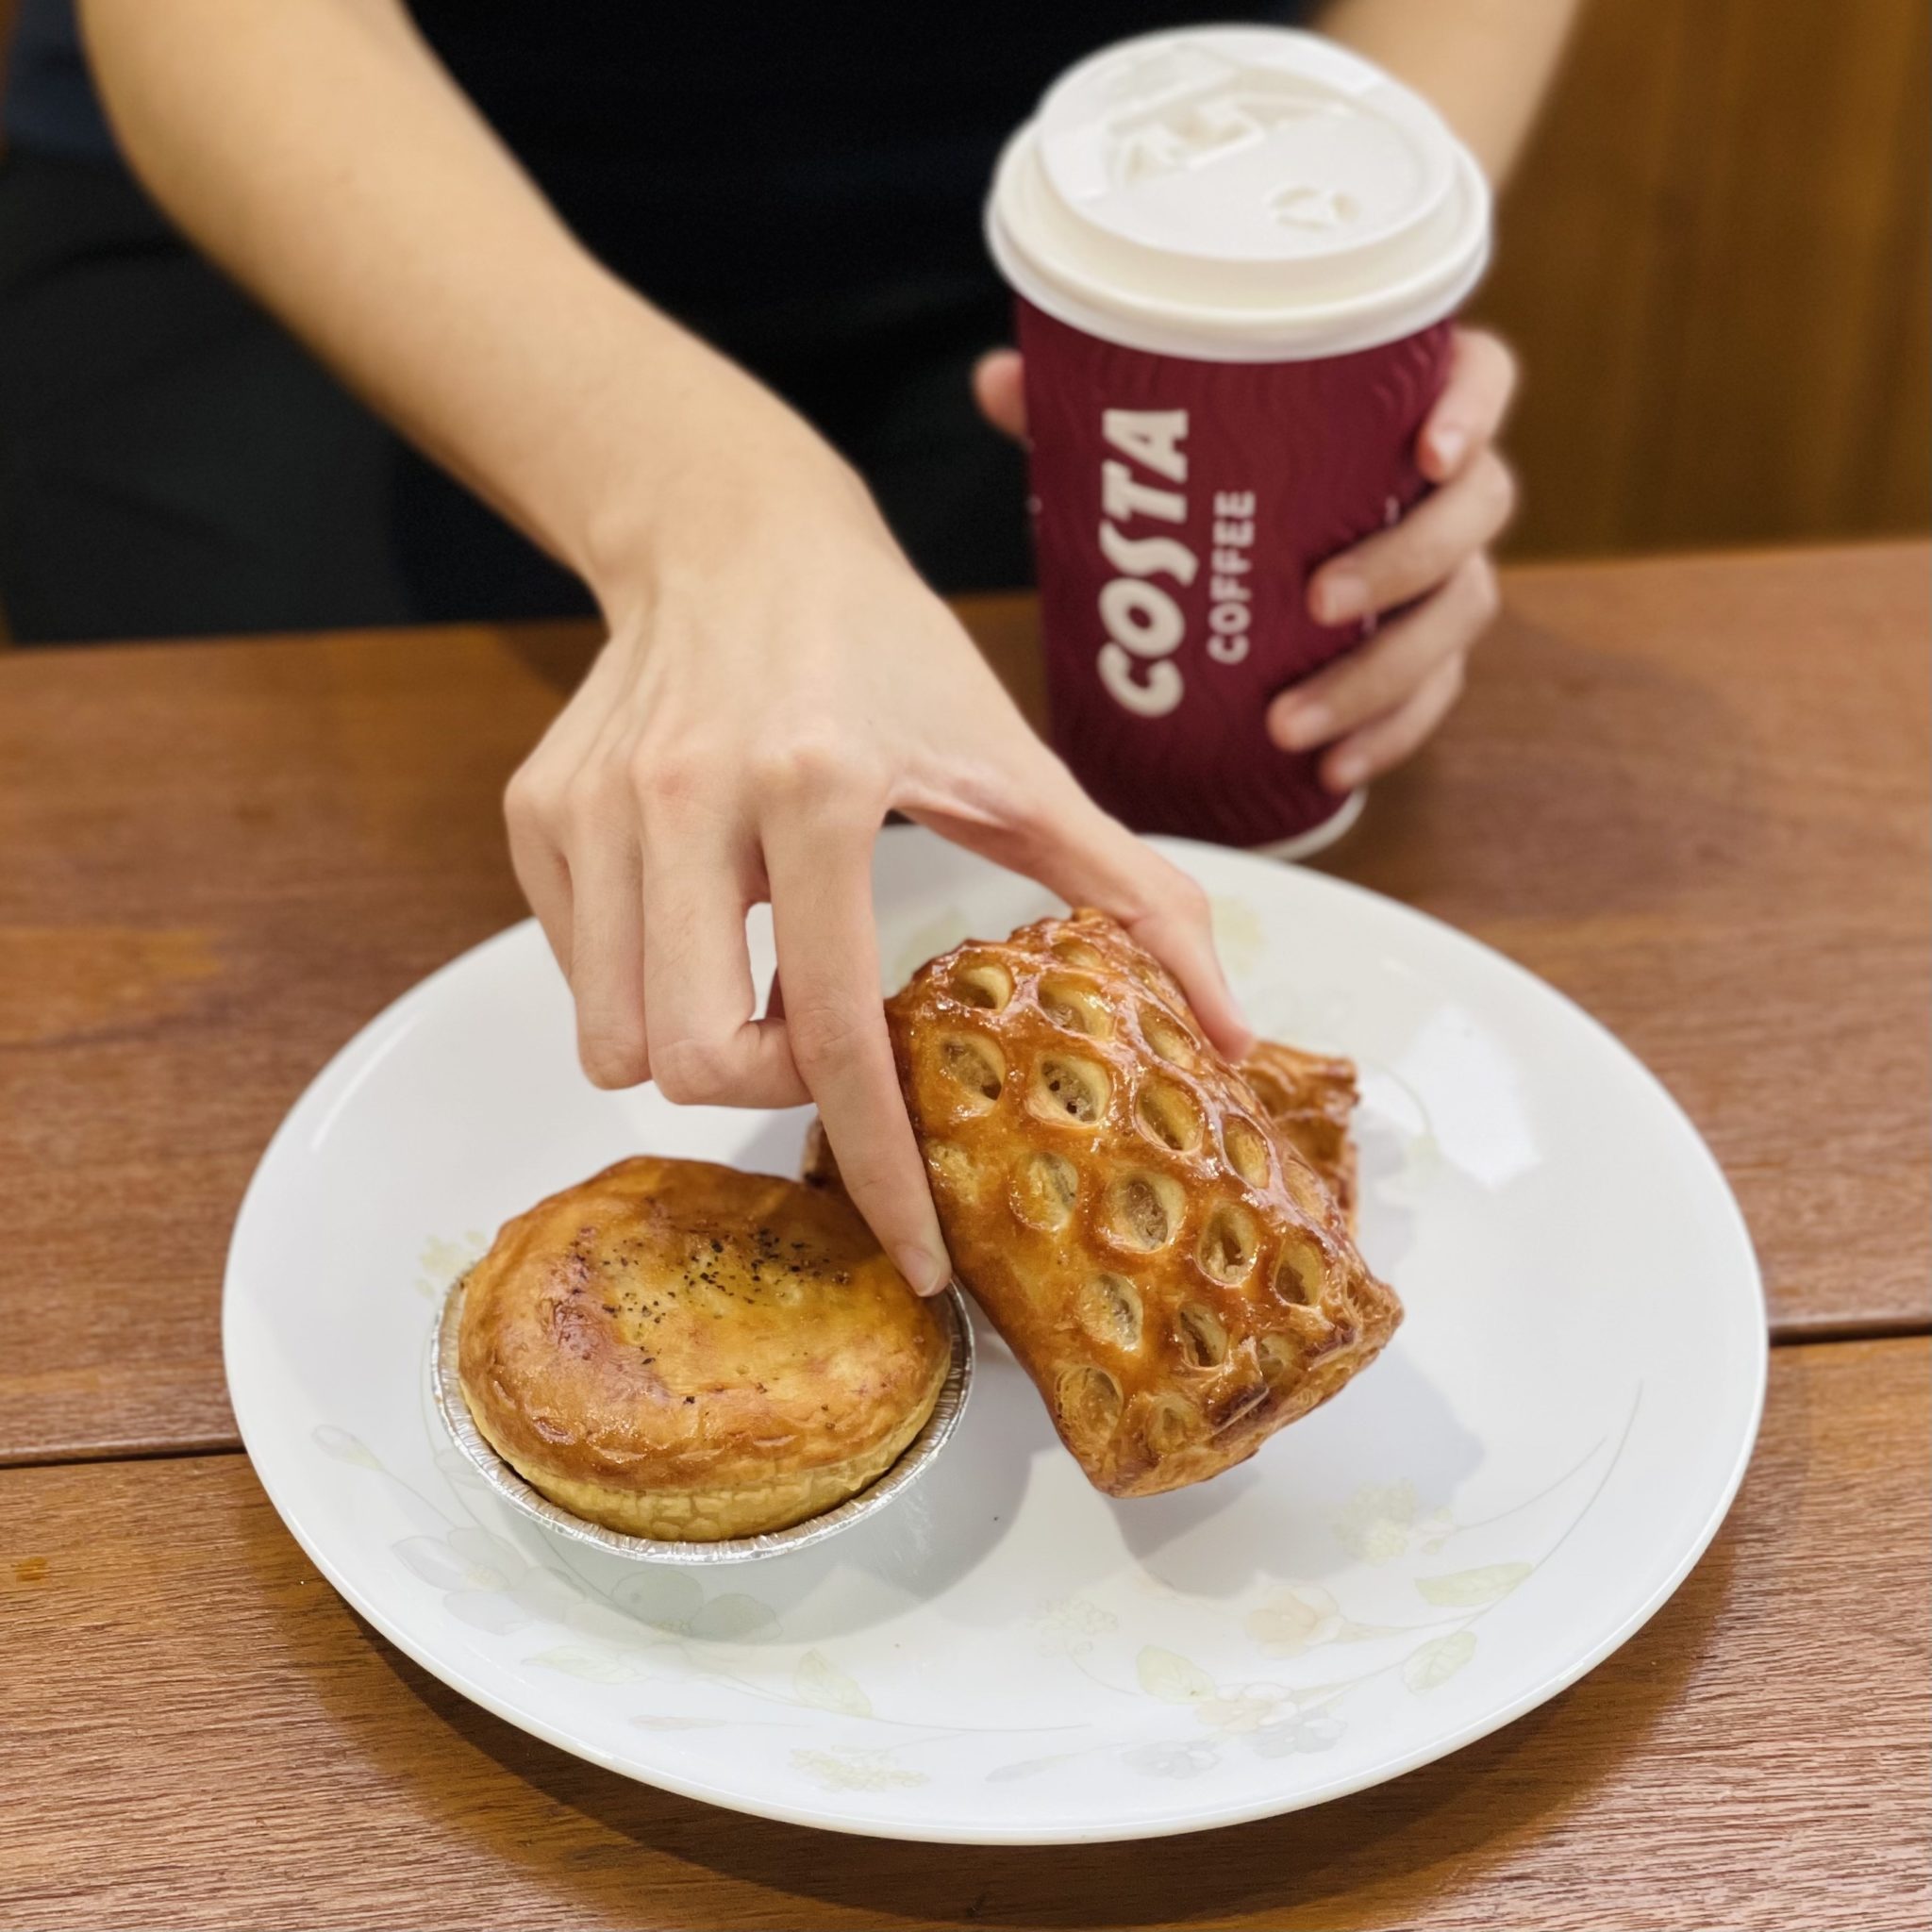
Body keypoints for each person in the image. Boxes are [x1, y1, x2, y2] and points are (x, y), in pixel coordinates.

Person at [0, 1, 1576, 1292]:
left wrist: (1341, 298)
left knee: (1122, 824)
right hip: (351, 198)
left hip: (1093, 212)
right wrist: (706, 506)